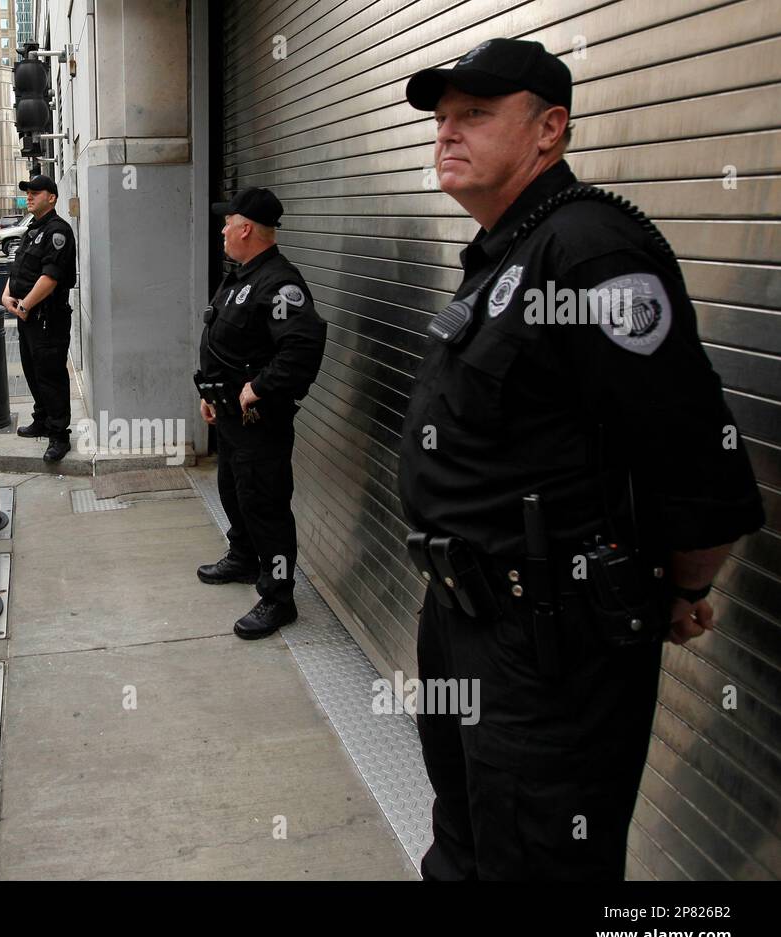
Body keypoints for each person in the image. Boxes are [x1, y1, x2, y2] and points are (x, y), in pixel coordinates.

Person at [397, 38, 765, 880]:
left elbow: (694, 459)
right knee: (462, 844)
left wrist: (683, 588)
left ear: (548, 130)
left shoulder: (591, 255)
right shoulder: (504, 251)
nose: (448, 134)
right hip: (462, 618)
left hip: (548, 643)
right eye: (443, 119)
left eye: (477, 115)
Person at [195, 187, 326, 639]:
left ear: (246, 227)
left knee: (266, 504)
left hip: (259, 422)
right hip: (229, 416)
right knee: (233, 489)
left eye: (227, 222)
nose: (224, 229)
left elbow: (302, 348)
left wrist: (257, 389)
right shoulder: (242, 276)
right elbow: (226, 342)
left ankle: (278, 597)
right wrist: (211, 392)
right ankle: (244, 557)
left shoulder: (279, 282)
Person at [1, 174, 78, 463]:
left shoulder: (59, 232)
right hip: (28, 316)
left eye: (36, 192)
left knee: (51, 375)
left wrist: (24, 306)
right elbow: (18, 269)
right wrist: (7, 295)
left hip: (48, 317)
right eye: (27, 192)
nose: (29, 196)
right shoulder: (33, 230)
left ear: (52, 197)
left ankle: (59, 435)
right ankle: (42, 419)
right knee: (33, 371)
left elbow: (50, 277)